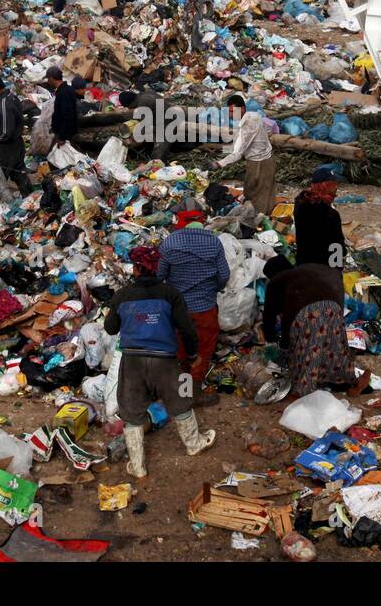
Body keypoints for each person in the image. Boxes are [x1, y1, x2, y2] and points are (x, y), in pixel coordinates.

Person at [106, 245, 216, 477]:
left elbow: (110, 328)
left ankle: (137, 467)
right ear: (157, 269)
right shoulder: (170, 293)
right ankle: (194, 444)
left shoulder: (122, 295)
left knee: (132, 411)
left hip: (132, 361)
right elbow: (187, 330)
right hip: (165, 361)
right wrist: (193, 355)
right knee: (181, 399)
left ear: (136, 269)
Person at [156, 208, 230, 404]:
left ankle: (183, 392)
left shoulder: (170, 242)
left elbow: (159, 275)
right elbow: (224, 275)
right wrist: (212, 289)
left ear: (182, 222)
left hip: (178, 310)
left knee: (181, 350)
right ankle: (193, 393)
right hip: (205, 308)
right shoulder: (214, 241)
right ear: (201, 221)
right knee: (202, 350)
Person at [262, 256, 363, 397]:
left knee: (307, 349)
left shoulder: (276, 281)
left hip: (308, 313)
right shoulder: (305, 271)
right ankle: (340, 381)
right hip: (334, 307)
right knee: (334, 345)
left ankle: (305, 389)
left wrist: (275, 339)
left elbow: (271, 315)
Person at [210, 94, 276, 215]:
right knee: (256, 189)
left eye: (232, 111)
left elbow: (238, 152)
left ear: (242, 109)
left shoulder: (249, 123)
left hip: (260, 162)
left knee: (259, 194)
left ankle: (259, 219)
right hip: (263, 159)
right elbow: (242, 142)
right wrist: (224, 150)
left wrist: (218, 164)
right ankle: (260, 213)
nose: (230, 115)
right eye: (229, 111)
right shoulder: (253, 116)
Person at [0, 74, 33, 195]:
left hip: (7, 147)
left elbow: (6, 131)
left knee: (0, 177)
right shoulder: (12, 96)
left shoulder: (4, 103)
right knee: (19, 172)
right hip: (17, 143)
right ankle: (30, 197)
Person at [294, 170, 346, 268]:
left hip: (303, 265)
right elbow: (337, 248)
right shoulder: (331, 214)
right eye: (332, 185)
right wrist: (337, 273)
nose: (336, 188)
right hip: (323, 268)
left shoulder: (300, 203)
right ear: (324, 186)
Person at [45, 66, 79, 147]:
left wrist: (62, 137)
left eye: (48, 79)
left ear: (52, 78)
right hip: (66, 133)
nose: (47, 81)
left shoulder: (63, 93)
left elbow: (68, 116)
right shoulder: (67, 89)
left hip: (66, 136)